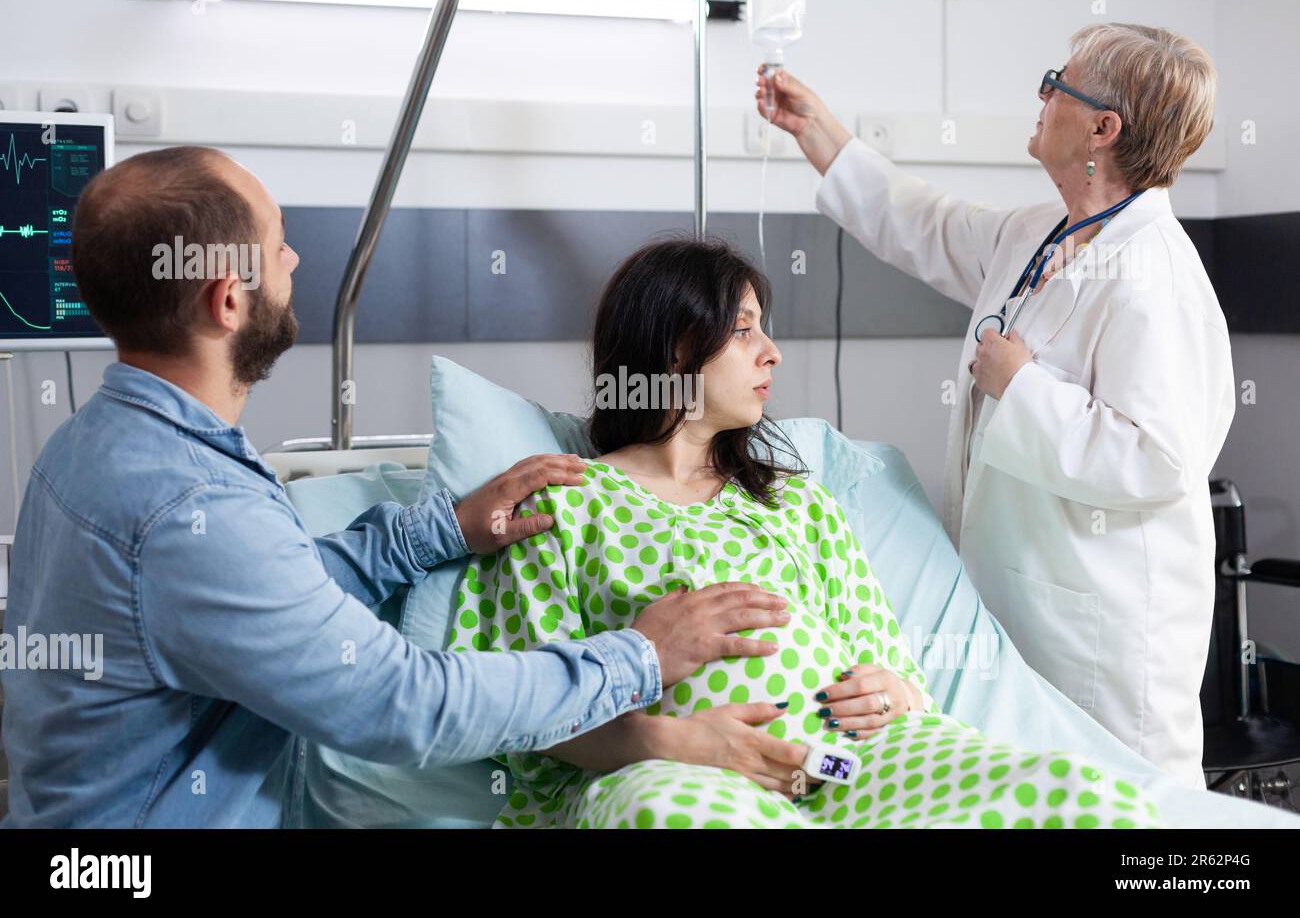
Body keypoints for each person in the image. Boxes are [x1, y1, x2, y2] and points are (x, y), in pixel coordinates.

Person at [0, 147, 791, 827]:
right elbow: (405, 705)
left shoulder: (93, 445)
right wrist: (640, 657)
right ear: (228, 300)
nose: (296, 260)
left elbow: (273, 597)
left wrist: (438, 531)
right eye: (279, 247)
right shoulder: (188, 507)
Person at [448, 237, 1165, 829]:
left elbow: (897, 675)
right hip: (676, 778)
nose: (772, 353)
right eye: (743, 329)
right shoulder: (566, 503)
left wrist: (895, 696)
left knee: (1077, 796)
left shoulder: (796, 500)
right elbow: (519, 707)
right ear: (673, 349)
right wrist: (677, 743)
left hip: (853, 767)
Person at [755, 22, 1233, 788]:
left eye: (1059, 83)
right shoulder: (1043, 232)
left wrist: (1022, 387)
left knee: (1121, 808)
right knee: (1023, 793)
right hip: (1018, 600)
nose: (1043, 96)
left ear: (1103, 129)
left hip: (1099, 634)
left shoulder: (1155, 275)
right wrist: (819, 129)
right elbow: (926, 222)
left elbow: (1159, 460)